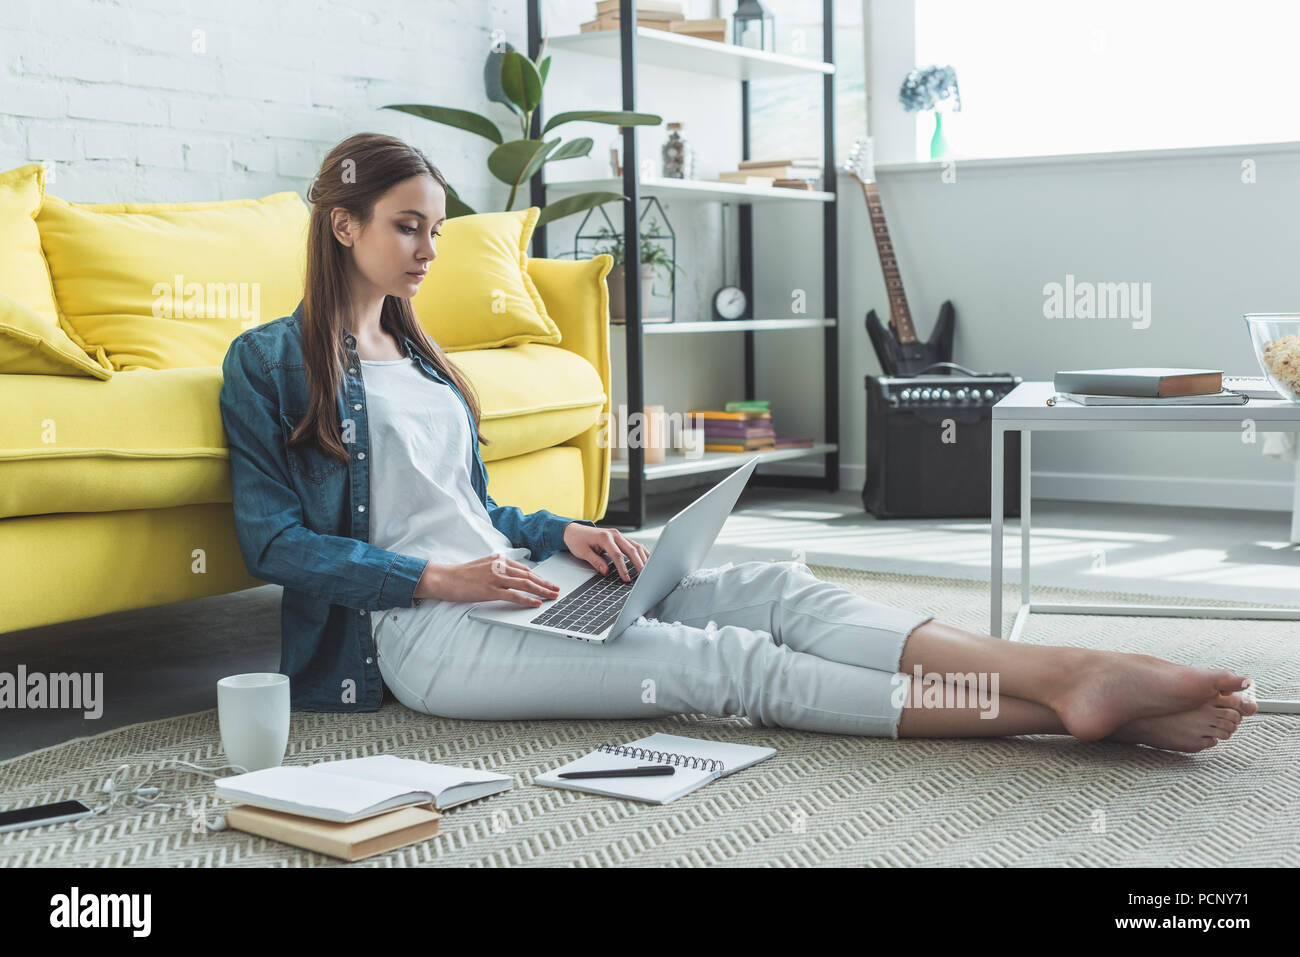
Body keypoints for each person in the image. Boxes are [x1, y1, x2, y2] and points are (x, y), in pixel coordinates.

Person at [219, 133, 1256, 754]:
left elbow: (474, 512)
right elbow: (275, 544)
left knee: (779, 590)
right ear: (343, 226)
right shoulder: (267, 365)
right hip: (425, 637)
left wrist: (568, 531)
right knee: (727, 669)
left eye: (438, 228)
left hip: (523, 579)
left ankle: (1062, 667)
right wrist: (440, 582)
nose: (429, 249)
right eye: (408, 226)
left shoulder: (429, 360)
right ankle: (1053, 711)